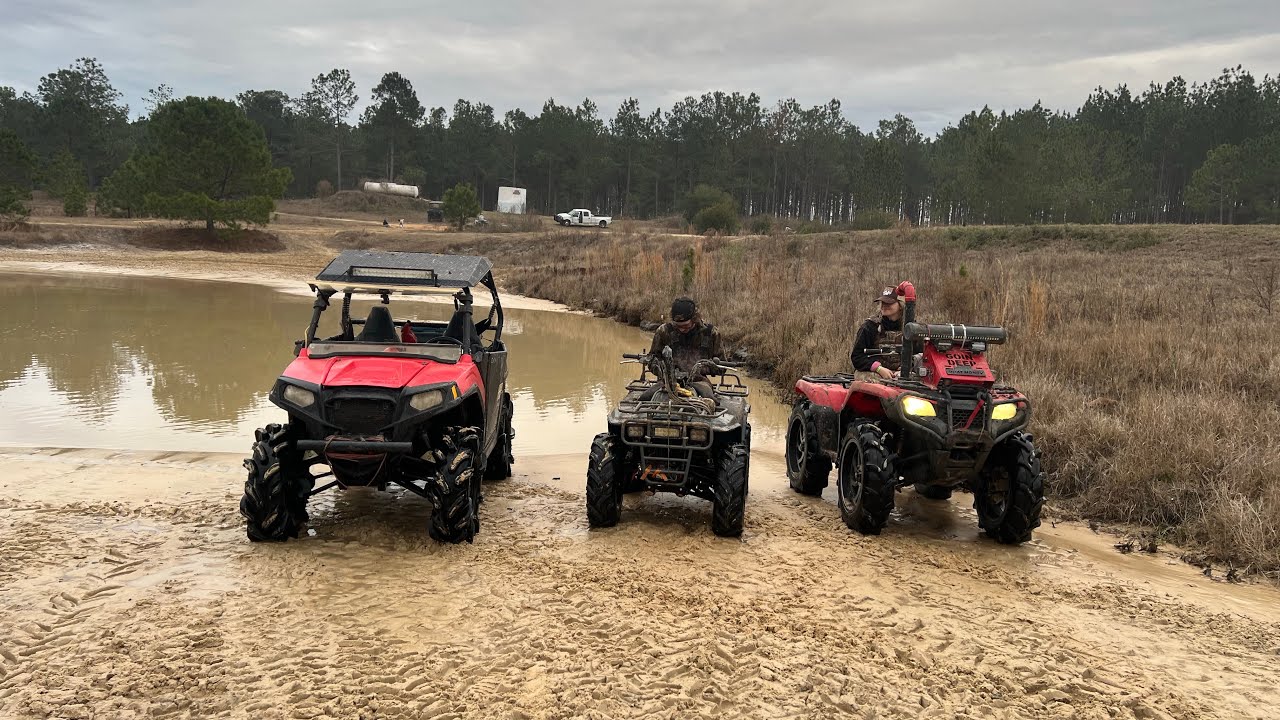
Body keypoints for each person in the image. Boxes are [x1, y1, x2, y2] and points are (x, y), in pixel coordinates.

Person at [644, 297, 722, 399]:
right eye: (678, 326)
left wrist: (707, 366)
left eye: (686, 326)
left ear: (694, 319)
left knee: (709, 400)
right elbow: (652, 358)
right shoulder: (663, 331)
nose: (681, 329)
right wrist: (661, 369)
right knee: (645, 398)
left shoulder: (711, 333)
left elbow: (722, 366)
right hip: (667, 382)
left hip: (699, 381)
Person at [850, 287, 906, 379]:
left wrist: (905, 369)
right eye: (883, 302)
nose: (884, 305)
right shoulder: (870, 326)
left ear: (900, 305)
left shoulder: (911, 328)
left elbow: (920, 356)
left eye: (889, 302)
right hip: (874, 373)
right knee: (874, 382)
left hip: (902, 374)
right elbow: (857, 357)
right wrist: (879, 369)